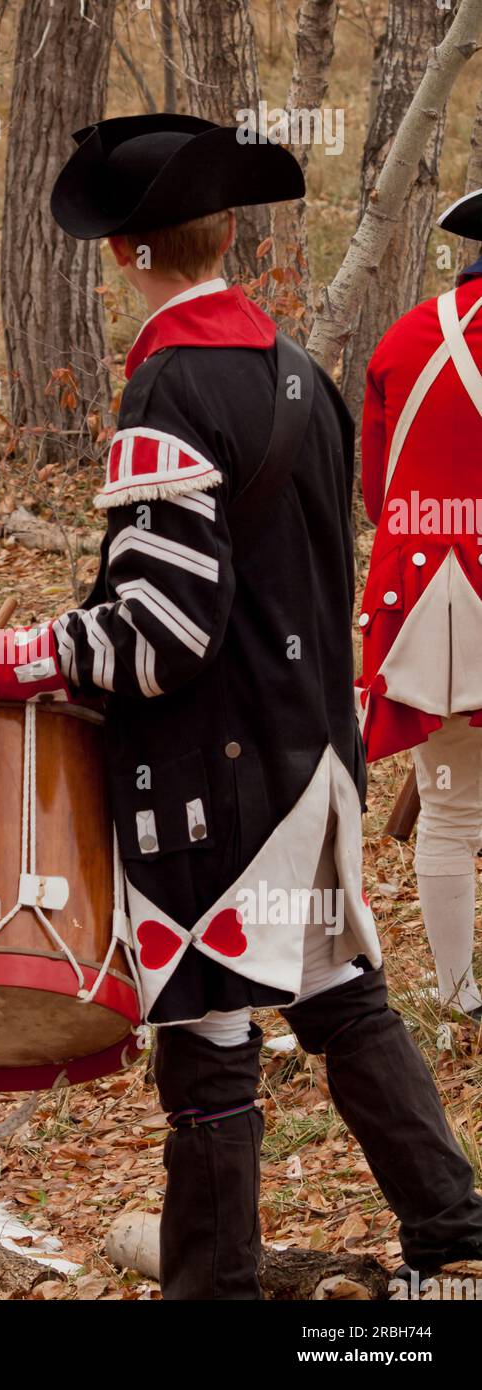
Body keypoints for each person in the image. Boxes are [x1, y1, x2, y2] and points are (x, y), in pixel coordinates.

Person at [0, 114, 482, 1299]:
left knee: (210, 1048)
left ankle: (214, 1291)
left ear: (126, 254)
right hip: (308, 759)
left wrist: (29, 653)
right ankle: (453, 1229)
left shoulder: (169, 388)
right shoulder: (298, 373)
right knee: (337, 993)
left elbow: (162, 631)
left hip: (214, 782)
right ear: (224, 232)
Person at [357, 193, 482, 1026]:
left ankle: (457, 995)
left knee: (449, 803)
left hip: (418, 599)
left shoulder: (405, 335)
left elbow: (376, 496)